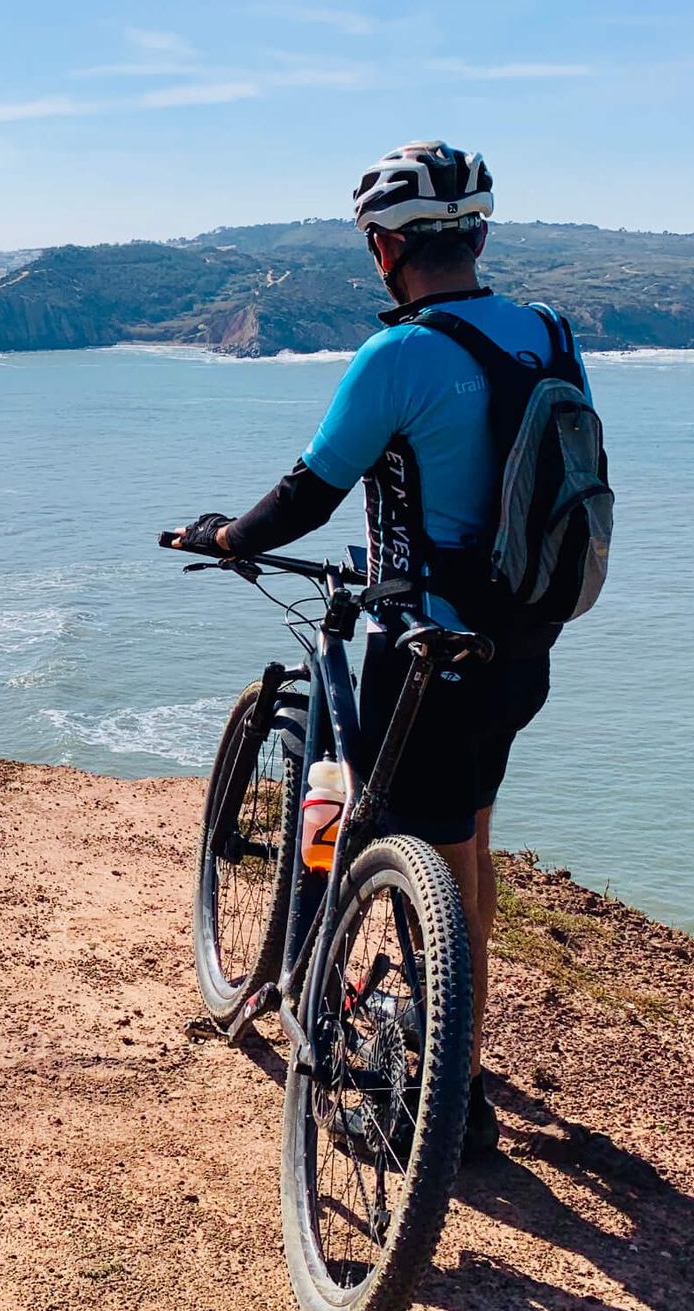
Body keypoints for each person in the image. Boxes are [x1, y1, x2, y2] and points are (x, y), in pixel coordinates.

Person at [175, 140, 589, 1162]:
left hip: (425, 649)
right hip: (524, 634)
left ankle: (448, 1100)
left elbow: (312, 486)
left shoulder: (398, 355)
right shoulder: (548, 333)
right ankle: (461, 1059)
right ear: (480, 233)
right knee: (467, 844)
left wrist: (228, 537)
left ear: (381, 248)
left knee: (405, 854)